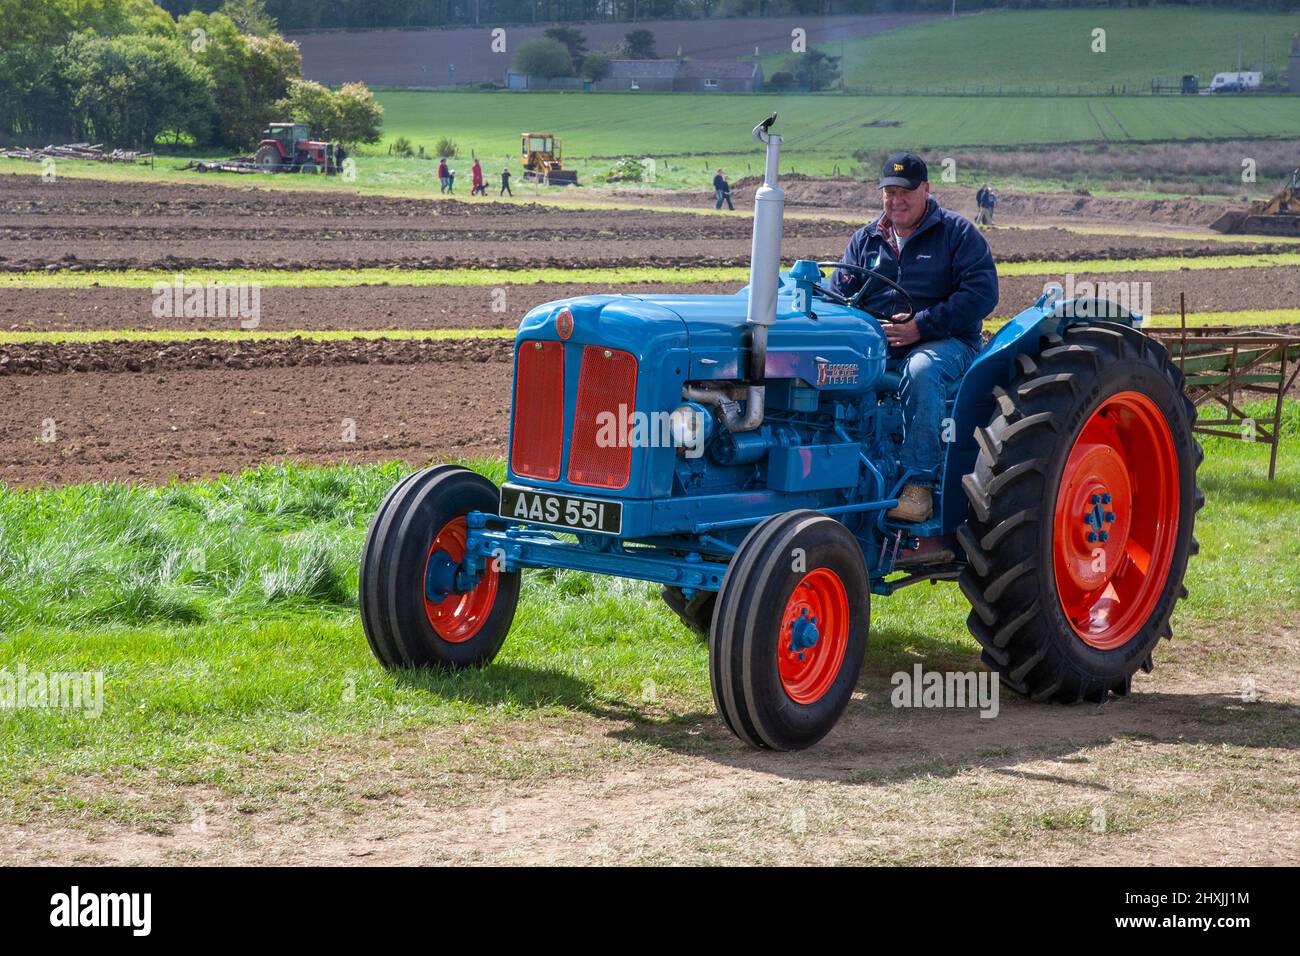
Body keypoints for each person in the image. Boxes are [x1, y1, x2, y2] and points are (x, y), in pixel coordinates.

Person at [831, 151, 998, 529]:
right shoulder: (866, 240)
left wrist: (921, 326)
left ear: (926, 189)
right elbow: (838, 295)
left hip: (948, 343)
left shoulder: (956, 234)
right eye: (889, 191)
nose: (896, 200)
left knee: (921, 370)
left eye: (904, 191)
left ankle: (918, 486)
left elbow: (982, 294)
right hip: (879, 346)